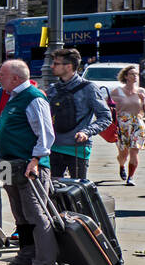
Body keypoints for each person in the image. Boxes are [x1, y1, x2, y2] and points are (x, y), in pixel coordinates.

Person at [0, 60, 60, 265]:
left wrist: (36, 160)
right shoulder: (12, 96)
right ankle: (25, 256)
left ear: (15, 77)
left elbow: (46, 134)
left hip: (28, 166)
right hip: (7, 164)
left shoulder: (34, 97)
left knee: (35, 214)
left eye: (1, 74)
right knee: (19, 214)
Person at [46, 47, 112, 181]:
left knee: (77, 192)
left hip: (77, 148)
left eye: (56, 63)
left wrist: (87, 132)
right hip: (53, 148)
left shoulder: (89, 88)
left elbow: (105, 117)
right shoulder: (53, 89)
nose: (52, 66)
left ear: (69, 66)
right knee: (52, 192)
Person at [111, 65, 145, 185]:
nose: (135, 76)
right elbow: (109, 107)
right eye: (132, 74)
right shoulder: (117, 91)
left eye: (137, 74)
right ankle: (121, 165)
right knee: (123, 153)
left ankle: (131, 177)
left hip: (138, 123)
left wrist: (144, 100)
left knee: (134, 151)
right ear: (126, 76)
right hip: (122, 125)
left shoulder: (142, 91)